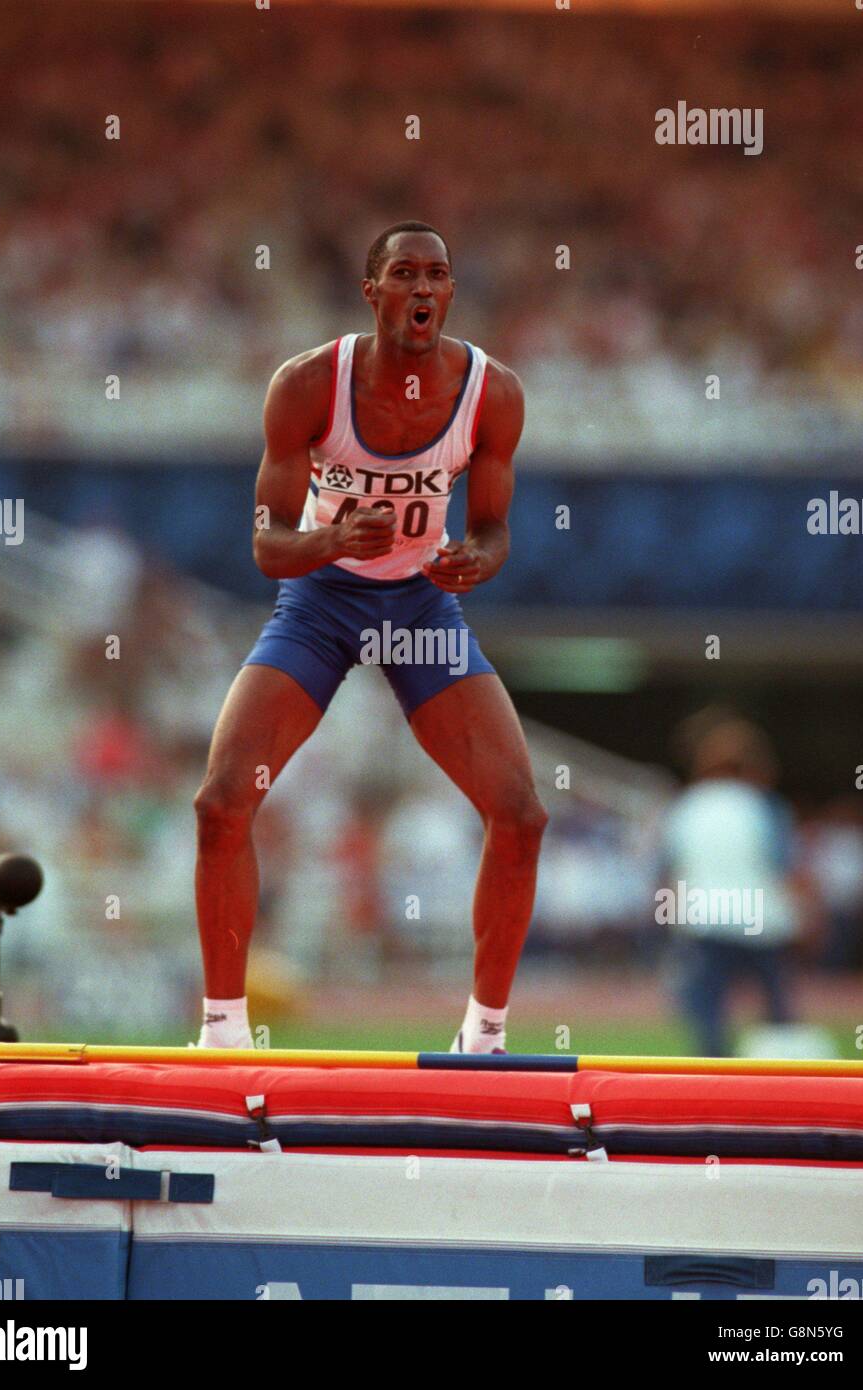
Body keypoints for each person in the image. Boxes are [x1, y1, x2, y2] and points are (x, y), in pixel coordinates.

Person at [193, 222, 547, 1054]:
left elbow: (494, 530)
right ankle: (223, 1033)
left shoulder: (493, 393)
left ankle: (483, 1037)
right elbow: (267, 543)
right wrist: (332, 543)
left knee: (520, 814)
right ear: (372, 291)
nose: (421, 288)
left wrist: (476, 561)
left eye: (436, 275)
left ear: (450, 293)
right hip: (321, 601)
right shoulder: (309, 382)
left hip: (422, 608)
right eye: (403, 274)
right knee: (220, 804)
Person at [660, 711, 803, 1057]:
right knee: (778, 1012)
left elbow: (671, 871)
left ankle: (712, 1089)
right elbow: (784, 867)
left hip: (705, 919)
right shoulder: (764, 807)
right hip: (760, 919)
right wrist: (803, 917)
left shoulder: (686, 807)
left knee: (708, 1013)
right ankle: (788, 1086)